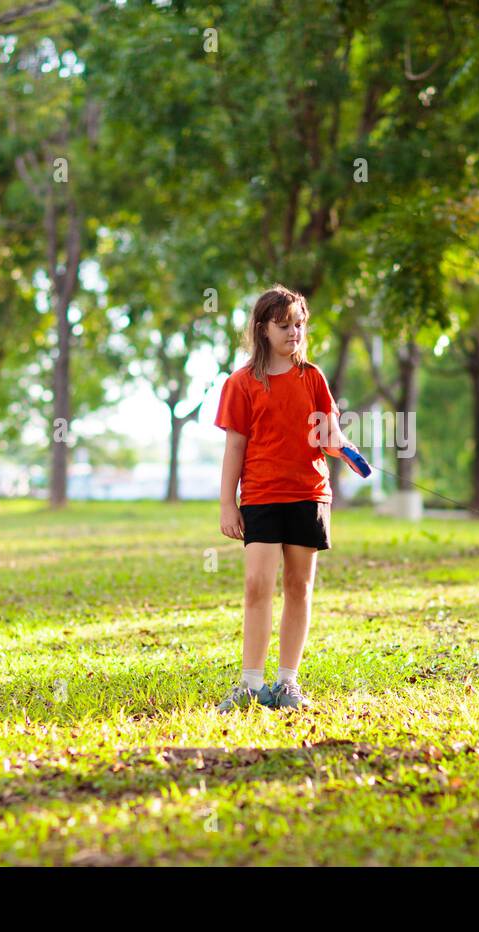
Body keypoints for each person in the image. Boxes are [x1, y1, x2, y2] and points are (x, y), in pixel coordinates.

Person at [213, 285, 355, 712]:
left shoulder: (311, 377)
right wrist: (227, 503)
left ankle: (286, 684)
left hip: (308, 494)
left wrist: (340, 446)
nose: (294, 332)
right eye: (284, 325)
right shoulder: (241, 383)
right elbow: (234, 448)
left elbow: (327, 434)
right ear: (263, 329)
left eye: (299, 324)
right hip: (260, 496)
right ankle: (250, 684)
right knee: (257, 585)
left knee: (299, 586)